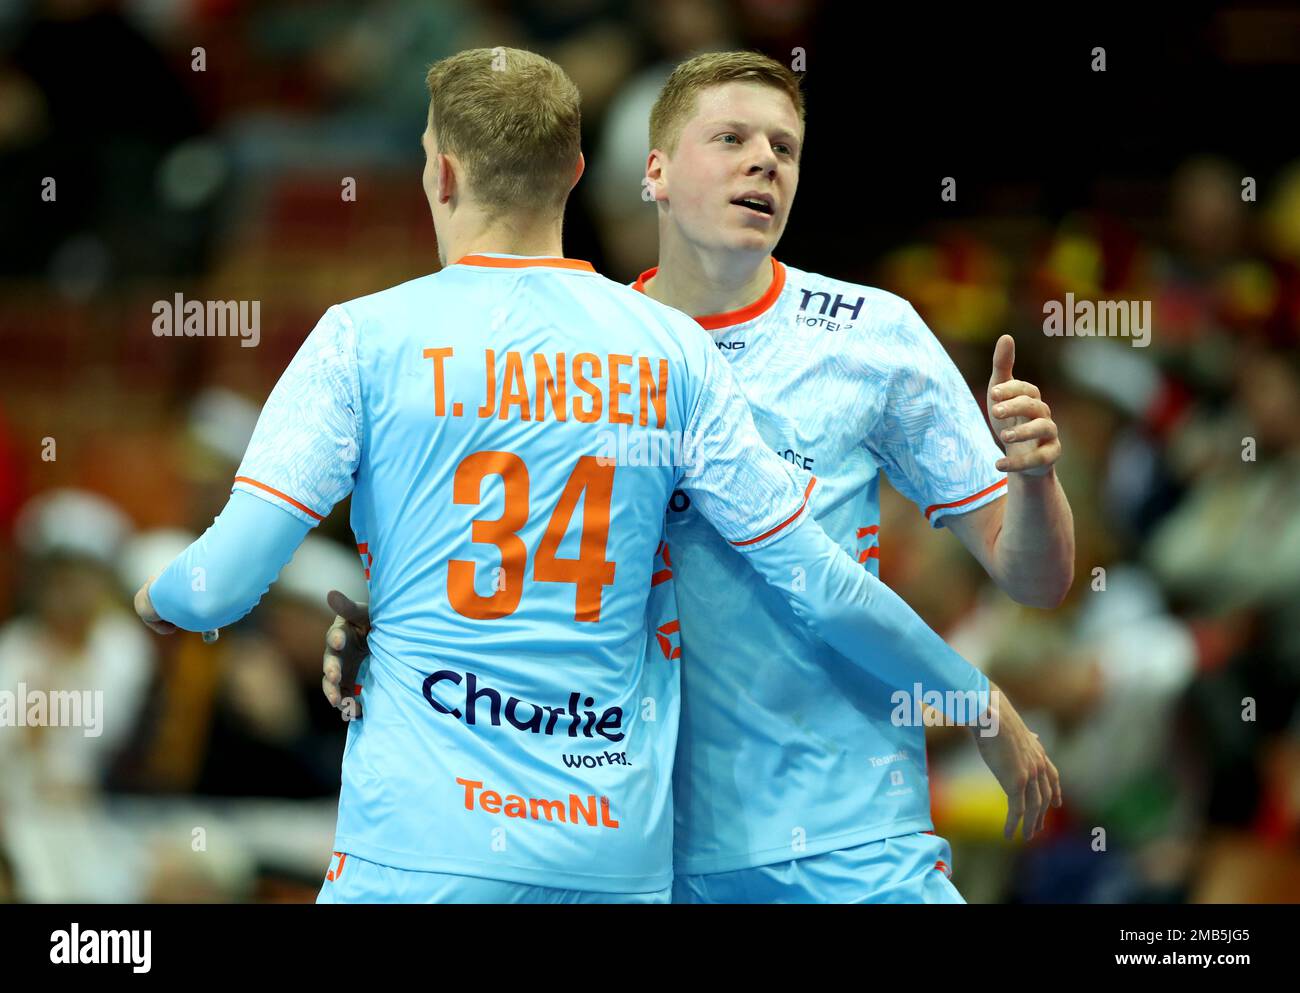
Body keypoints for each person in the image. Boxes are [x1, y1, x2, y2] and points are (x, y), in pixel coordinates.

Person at [135, 47, 1056, 904]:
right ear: (618, 174)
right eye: (731, 139)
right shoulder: (657, 351)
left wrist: (1035, 487)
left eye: (785, 147)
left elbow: (1032, 577)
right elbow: (790, 573)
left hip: (806, 830)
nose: (764, 162)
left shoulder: (860, 334)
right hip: (639, 844)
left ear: (441, 173)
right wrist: (403, 620)